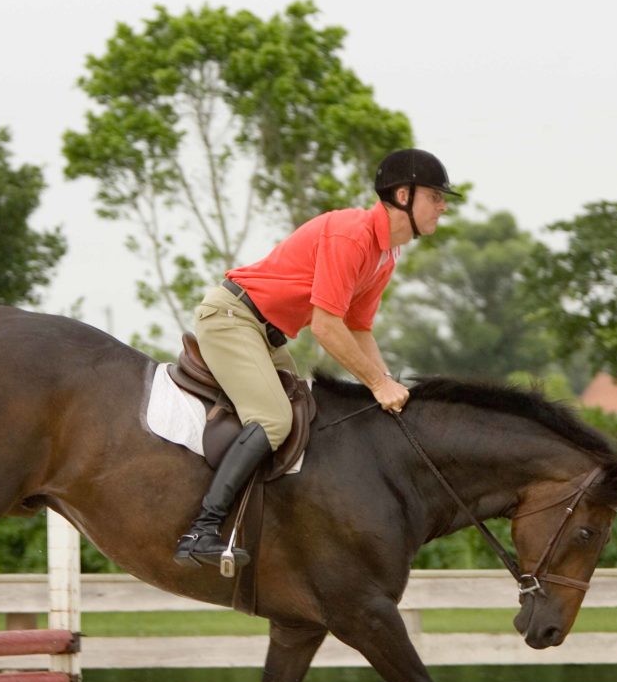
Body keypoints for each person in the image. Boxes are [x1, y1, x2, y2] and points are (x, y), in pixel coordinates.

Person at [173, 147, 460, 569]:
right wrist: (378, 385)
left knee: (308, 419)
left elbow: (359, 329)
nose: (442, 206)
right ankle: (201, 531)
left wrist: (389, 384)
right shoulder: (352, 236)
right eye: (435, 196)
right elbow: (327, 328)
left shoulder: (386, 255)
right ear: (403, 195)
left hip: (265, 335)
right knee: (274, 419)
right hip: (231, 318)